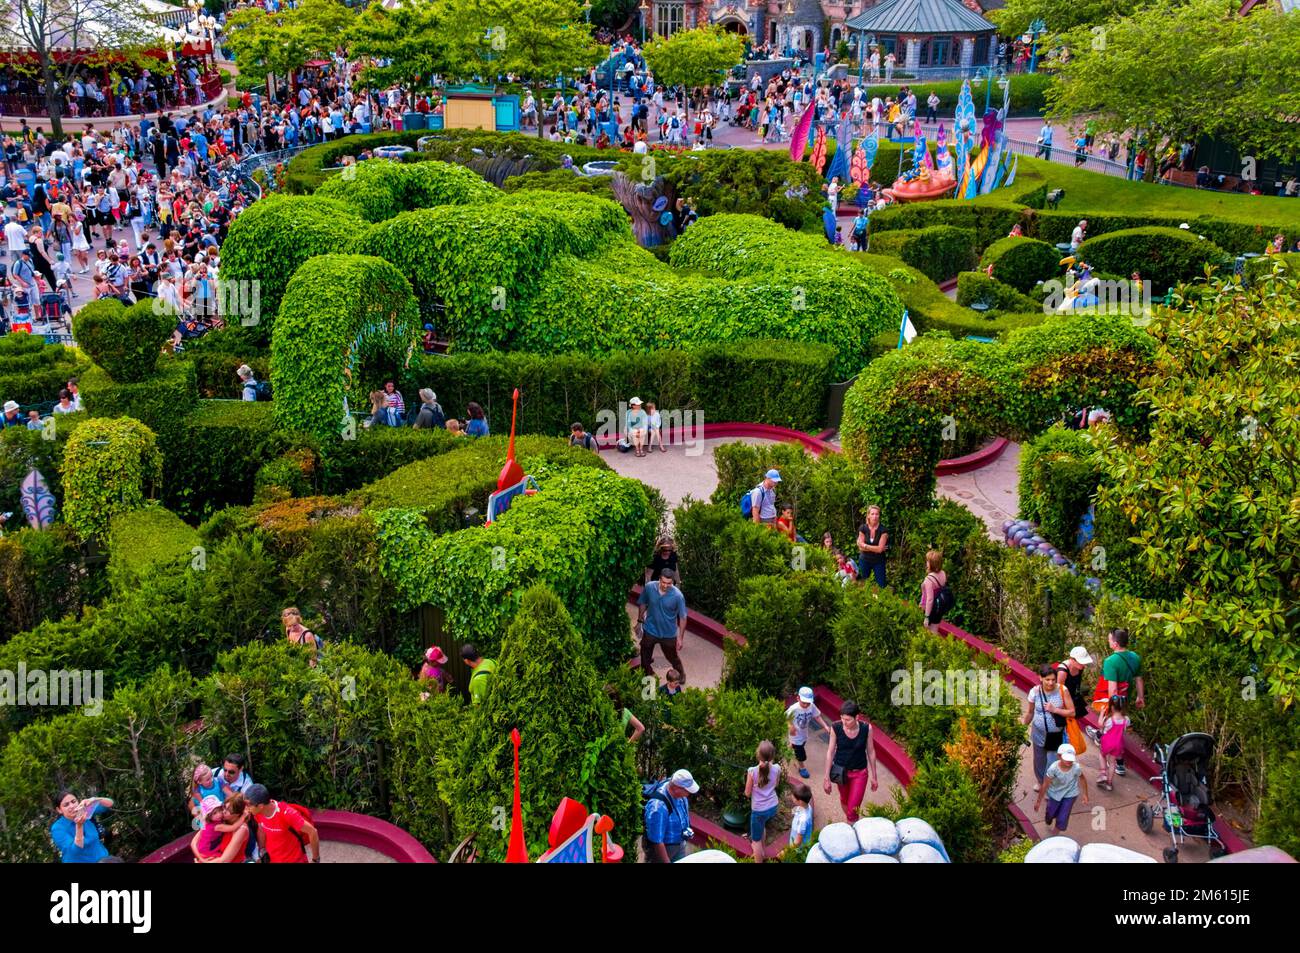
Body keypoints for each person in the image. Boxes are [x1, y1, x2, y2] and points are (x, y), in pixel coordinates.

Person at [1091, 628, 1143, 777]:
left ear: (1115, 643)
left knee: (1112, 726)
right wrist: (1140, 697)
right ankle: (1102, 737)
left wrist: (1109, 707)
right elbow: (1139, 679)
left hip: (1115, 700)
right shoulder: (1135, 657)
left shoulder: (1111, 661)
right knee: (1120, 725)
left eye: (1109, 640)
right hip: (1126, 698)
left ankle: (1118, 762)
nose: (1108, 642)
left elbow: (1112, 690)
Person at [823, 700, 877, 823]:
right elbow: (830, 752)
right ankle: (852, 822)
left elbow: (871, 751)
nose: (844, 722)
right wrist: (826, 778)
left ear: (857, 717)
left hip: (860, 773)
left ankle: (851, 824)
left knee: (853, 810)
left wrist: (874, 776)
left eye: (848, 720)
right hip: (840, 772)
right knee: (844, 800)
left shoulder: (866, 728)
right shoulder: (836, 727)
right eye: (842, 718)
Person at [1022, 664, 1073, 792]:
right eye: (1047, 679)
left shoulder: (1063, 690)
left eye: (1053, 679)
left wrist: (1055, 709)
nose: (1050, 683)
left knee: (1052, 762)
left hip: (1055, 735)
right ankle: (1040, 781)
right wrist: (1022, 728)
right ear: (1040, 678)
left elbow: (1072, 712)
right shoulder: (1034, 692)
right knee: (1039, 761)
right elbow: (1030, 712)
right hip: (1038, 732)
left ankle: (1047, 786)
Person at [244, 784, 320, 863]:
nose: (246, 808)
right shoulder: (258, 813)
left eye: (248, 805)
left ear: (260, 806)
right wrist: (262, 850)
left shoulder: (286, 813)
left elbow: (312, 831)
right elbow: (261, 829)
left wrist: (315, 859)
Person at [637, 567, 688, 680]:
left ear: (673, 582)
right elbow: (643, 602)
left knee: (672, 657)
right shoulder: (650, 587)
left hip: (668, 634)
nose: (665, 585)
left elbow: (683, 617)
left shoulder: (678, 596)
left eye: (669, 583)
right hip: (650, 629)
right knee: (645, 652)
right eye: (663, 582)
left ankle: (681, 674)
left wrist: (680, 638)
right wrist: (640, 620)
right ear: (659, 579)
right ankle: (647, 673)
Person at [643, 768, 697, 863]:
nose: (689, 794)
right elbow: (657, 841)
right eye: (687, 790)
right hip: (663, 850)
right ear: (676, 788)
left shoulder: (678, 793)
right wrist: (666, 861)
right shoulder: (658, 807)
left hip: (679, 843)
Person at [1033, 743, 1089, 833]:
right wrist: (1038, 801)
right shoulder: (1053, 769)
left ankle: (1057, 829)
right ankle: (1049, 817)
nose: (1069, 762)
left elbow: (1082, 779)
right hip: (1055, 793)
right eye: (1066, 758)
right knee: (1051, 812)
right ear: (1059, 756)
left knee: (1063, 815)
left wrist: (1085, 794)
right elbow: (1045, 784)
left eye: (1071, 759)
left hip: (1071, 794)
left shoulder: (1076, 768)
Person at [745, 740, 782, 862]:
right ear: (772, 755)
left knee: (755, 841)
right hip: (772, 807)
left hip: (759, 810)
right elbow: (776, 785)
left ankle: (759, 854)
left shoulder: (752, 771)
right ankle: (763, 851)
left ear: (758, 754)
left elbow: (747, 793)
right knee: (762, 826)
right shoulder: (777, 768)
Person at [51, 791, 114, 863]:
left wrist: (94, 799)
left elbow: (110, 804)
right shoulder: (57, 828)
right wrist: (79, 826)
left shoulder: (85, 811)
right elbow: (75, 850)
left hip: (103, 859)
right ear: (59, 810)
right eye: (66, 805)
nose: (72, 806)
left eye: (73, 801)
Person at [786, 685, 831, 779]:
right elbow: (786, 718)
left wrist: (825, 726)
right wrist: (791, 726)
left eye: (808, 703)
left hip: (803, 733)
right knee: (801, 754)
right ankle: (801, 767)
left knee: (801, 745)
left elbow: (817, 716)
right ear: (798, 698)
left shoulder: (811, 706)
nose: (806, 705)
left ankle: (790, 747)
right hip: (795, 735)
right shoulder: (793, 708)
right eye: (804, 702)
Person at [191, 794, 250, 863]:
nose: (223, 812)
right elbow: (193, 842)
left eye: (229, 811)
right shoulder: (218, 820)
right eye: (224, 807)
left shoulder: (241, 829)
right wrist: (200, 858)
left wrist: (203, 862)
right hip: (212, 858)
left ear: (237, 814)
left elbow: (224, 860)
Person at [856, 505, 889, 587]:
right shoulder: (863, 528)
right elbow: (860, 547)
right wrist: (876, 548)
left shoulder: (883, 530)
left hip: (879, 561)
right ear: (868, 515)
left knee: (882, 585)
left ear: (879, 516)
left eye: (877, 514)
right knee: (863, 584)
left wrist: (864, 545)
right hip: (864, 560)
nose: (875, 516)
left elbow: (880, 550)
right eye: (872, 514)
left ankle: (880, 600)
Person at [919, 549, 949, 631]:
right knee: (935, 628)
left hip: (930, 608)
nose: (926, 563)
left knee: (928, 630)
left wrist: (927, 617)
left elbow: (930, 599)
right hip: (939, 606)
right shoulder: (943, 573)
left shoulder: (929, 579)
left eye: (928, 561)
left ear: (932, 564)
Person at [190, 763, 226, 829]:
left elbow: (229, 794)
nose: (211, 780)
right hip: (210, 818)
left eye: (211, 776)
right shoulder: (198, 791)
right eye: (208, 780)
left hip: (223, 812)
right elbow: (200, 809)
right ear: (199, 782)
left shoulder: (218, 781)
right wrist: (203, 825)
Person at [788, 782, 814, 849]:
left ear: (800, 801)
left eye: (794, 797)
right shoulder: (808, 807)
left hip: (798, 847)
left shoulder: (802, 820)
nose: (791, 797)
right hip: (804, 839)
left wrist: (787, 850)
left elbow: (798, 842)